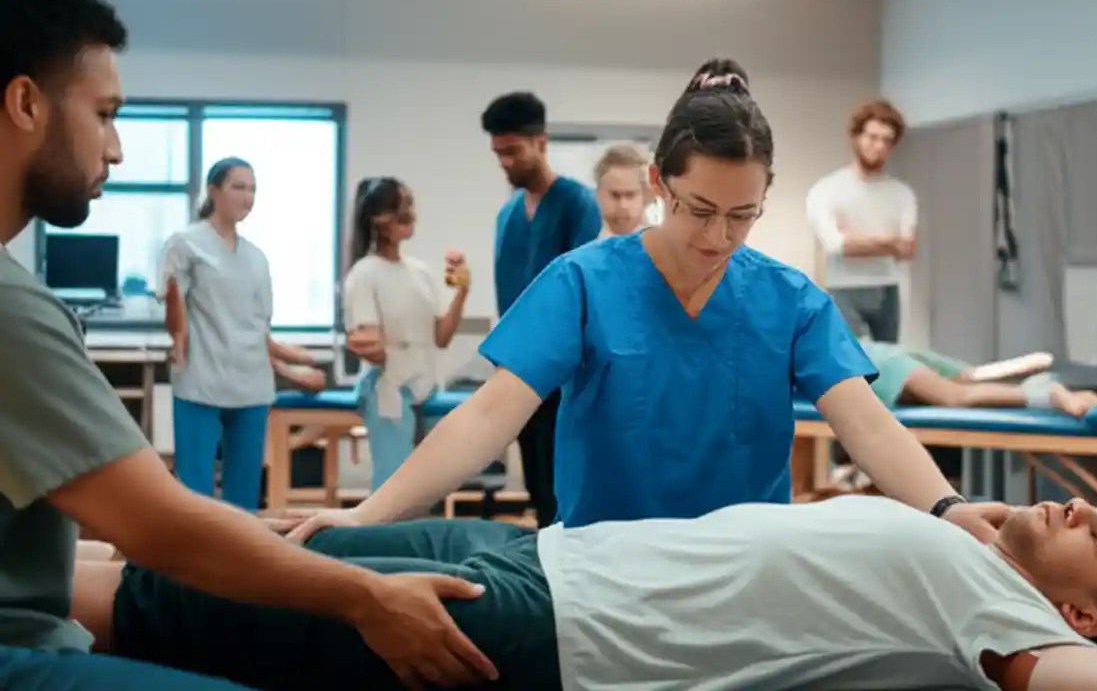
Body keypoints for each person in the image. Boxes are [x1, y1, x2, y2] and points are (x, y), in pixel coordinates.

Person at [0, 0, 499, 687]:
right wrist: (367, 597)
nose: (115, 150)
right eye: (104, 113)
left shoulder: (262, 258)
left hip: (244, 393)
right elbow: (157, 524)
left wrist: (270, 537)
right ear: (25, 103)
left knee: (238, 522)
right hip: (28, 641)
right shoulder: (20, 309)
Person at [286, 59, 1005, 545]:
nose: (719, 236)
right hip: (602, 566)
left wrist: (951, 510)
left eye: (742, 214)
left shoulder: (792, 302)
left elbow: (870, 428)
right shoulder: (583, 283)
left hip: (744, 565)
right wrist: (369, 516)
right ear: (659, 182)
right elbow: (487, 415)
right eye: (698, 209)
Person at [76, 496, 1097, 690]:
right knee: (250, 542)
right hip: (546, 552)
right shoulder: (959, 540)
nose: (1070, 511)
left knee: (176, 605)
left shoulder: (999, 620)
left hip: (567, 633)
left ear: (1082, 610)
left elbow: (1078, 678)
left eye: (1096, 538)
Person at [158, 156, 325, 510]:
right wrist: (178, 343)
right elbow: (176, 309)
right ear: (213, 190)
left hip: (252, 384)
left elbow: (258, 330)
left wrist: (289, 368)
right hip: (201, 378)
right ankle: (192, 563)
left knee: (244, 493)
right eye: (238, 187)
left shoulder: (256, 258)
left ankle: (240, 562)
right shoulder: (186, 244)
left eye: (252, 189)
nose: (247, 197)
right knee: (195, 491)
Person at [484, 91, 603, 527]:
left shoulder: (577, 204)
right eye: (499, 154)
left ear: (541, 143)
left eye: (514, 152)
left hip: (565, 373)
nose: (506, 163)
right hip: (520, 371)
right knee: (535, 480)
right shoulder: (508, 215)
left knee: (562, 483)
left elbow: (582, 294)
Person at [344, 176, 471, 490]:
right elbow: (371, 345)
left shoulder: (420, 272)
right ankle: (383, 540)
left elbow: (440, 337)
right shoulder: (364, 274)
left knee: (425, 488)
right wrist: (371, 344)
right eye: (401, 206)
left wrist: (461, 293)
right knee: (393, 485)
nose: (410, 212)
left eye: (410, 203)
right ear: (378, 219)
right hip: (389, 389)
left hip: (425, 387)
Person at [806, 98, 917, 343]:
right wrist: (890, 243)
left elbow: (907, 249)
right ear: (856, 137)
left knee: (888, 365)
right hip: (843, 289)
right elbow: (837, 246)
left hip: (888, 289)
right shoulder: (827, 190)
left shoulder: (902, 193)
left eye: (887, 140)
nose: (879, 146)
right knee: (850, 365)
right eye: (873, 137)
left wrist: (858, 240)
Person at [861, 340, 1097, 417]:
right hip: (879, 353)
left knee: (955, 395)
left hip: (873, 360)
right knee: (967, 380)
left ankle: (1049, 393)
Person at [593, 144, 656, 238]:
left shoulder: (664, 247)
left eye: (630, 195)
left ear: (647, 195)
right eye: (615, 195)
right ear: (598, 194)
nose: (622, 205)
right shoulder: (577, 243)